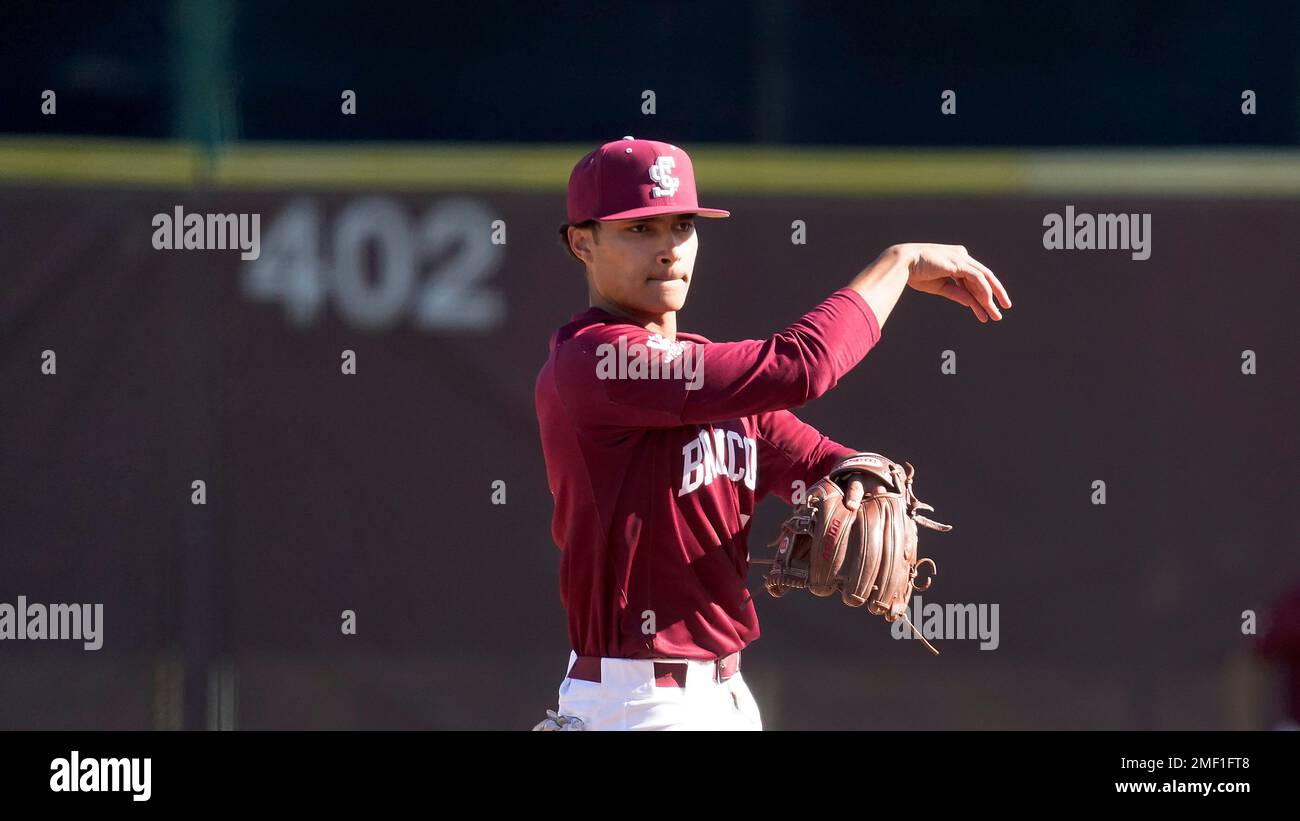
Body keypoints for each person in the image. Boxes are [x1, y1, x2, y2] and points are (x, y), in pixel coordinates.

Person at [532, 136, 1011, 730]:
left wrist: (855, 474)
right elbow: (800, 366)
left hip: (725, 696)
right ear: (582, 242)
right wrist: (901, 263)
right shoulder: (597, 363)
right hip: (639, 701)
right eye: (640, 229)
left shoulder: (701, 377)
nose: (668, 249)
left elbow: (812, 456)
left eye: (682, 226)